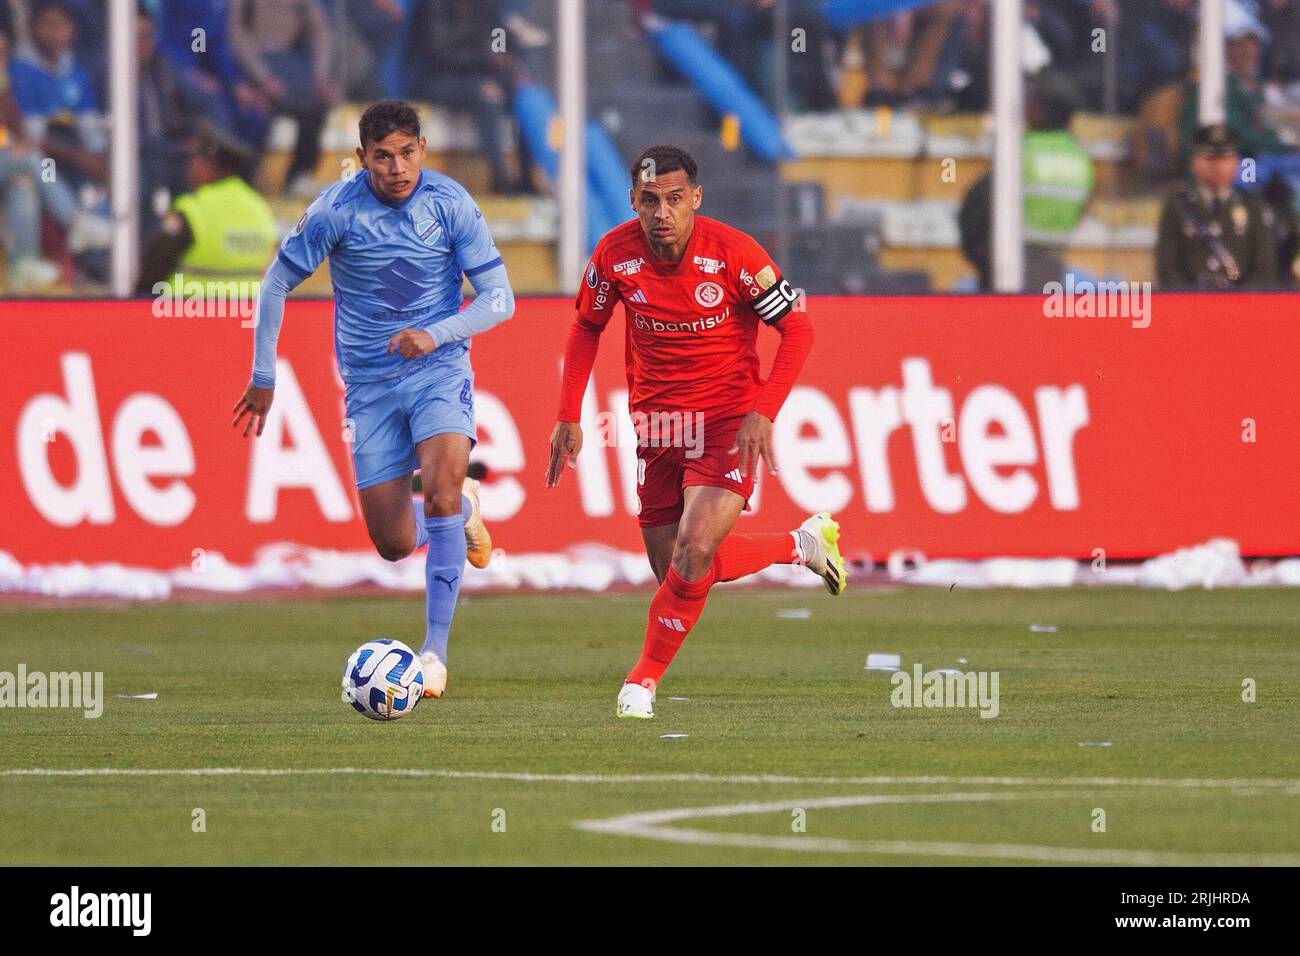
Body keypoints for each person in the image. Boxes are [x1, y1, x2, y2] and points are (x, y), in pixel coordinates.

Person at [546, 144, 840, 721]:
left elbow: (798, 331)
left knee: (695, 547)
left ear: (696, 200)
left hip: (728, 421)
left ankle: (641, 684)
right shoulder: (613, 256)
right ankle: (799, 545)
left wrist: (764, 410)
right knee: (677, 572)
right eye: (650, 200)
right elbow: (586, 326)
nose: (662, 213)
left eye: (675, 200)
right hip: (656, 425)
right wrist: (567, 414)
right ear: (633, 200)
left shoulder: (735, 256)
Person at [232, 100, 514, 700]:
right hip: (369, 384)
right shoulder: (336, 209)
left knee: (437, 488)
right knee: (392, 543)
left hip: (439, 369)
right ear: (362, 159)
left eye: (407, 153)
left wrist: (435, 334)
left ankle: (434, 652)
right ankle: (462, 513)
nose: (396, 168)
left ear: (423, 150)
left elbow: (499, 298)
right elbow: (277, 281)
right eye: (382, 157)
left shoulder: (450, 204)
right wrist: (264, 374)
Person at [959, 70, 1094, 291]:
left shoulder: (1019, 152)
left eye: (1029, 100)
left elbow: (977, 211)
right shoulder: (1081, 160)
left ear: (1037, 109)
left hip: (1008, 267)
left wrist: (979, 255)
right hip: (1052, 268)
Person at [134, 120, 277, 297]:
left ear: (207, 165)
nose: (190, 166)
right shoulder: (259, 207)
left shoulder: (193, 209)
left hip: (186, 314)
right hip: (246, 314)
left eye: (194, 159)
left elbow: (155, 265)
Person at [227, 0, 338, 197]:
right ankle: (245, 179)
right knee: (257, 113)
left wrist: (320, 75)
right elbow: (235, 33)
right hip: (252, 64)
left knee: (315, 106)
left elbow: (321, 31)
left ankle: (298, 176)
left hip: (290, 63)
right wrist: (262, 77)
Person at [1156, 122, 1277, 290]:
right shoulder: (1177, 206)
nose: (1217, 166)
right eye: (1210, 158)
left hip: (1243, 307)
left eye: (1224, 158)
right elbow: (1168, 269)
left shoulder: (1253, 207)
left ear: (1235, 163)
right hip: (1189, 306)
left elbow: (1264, 270)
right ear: (1194, 162)